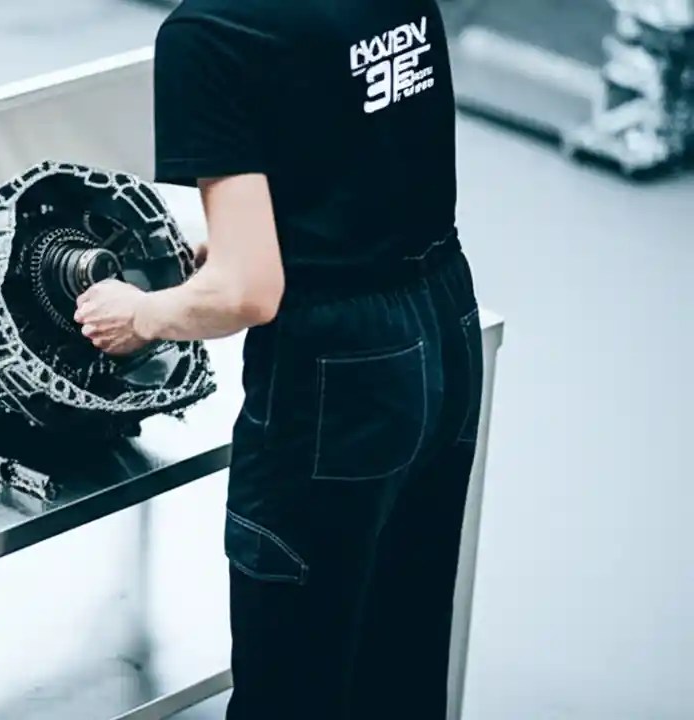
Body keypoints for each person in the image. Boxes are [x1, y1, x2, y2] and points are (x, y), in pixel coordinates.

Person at [74, 0, 483, 717]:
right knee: (400, 646)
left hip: (342, 378)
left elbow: (245, 293)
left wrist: (138, 314)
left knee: (295, 680)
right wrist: (262, 237)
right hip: (446, 319)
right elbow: (354, 148)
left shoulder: (208, 34)